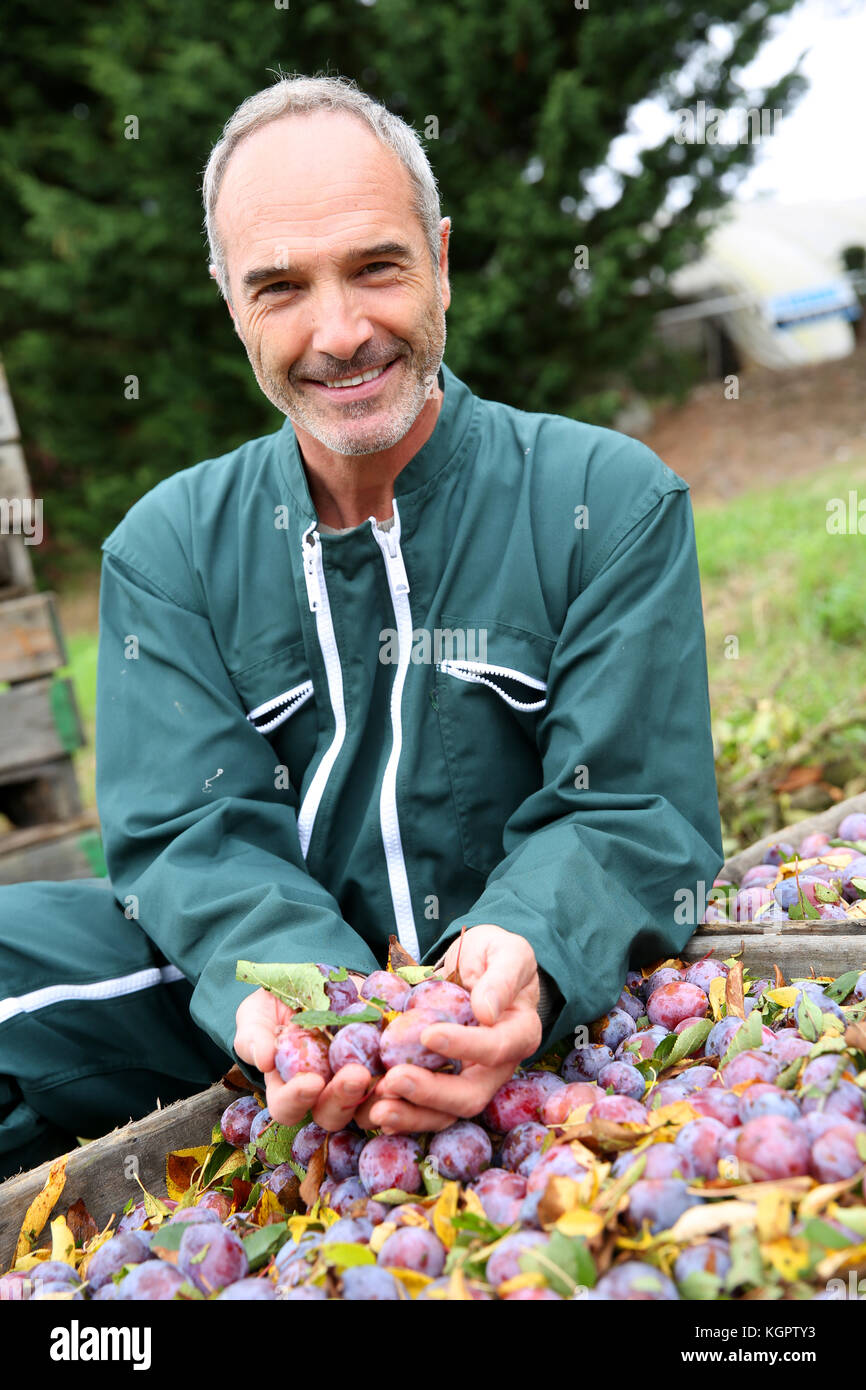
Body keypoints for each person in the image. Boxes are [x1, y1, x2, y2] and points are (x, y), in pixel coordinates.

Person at [0, 75, 723, 1180]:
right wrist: (307, 1003)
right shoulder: (168, 548)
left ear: (437, 258)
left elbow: (628, 807)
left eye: (376, 267)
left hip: (525, 997)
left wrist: (523, 952)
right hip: (258, 1010)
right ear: (227, 301)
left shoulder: (605, 499)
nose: (337, 333)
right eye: (279, 286)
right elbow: (190, 842)